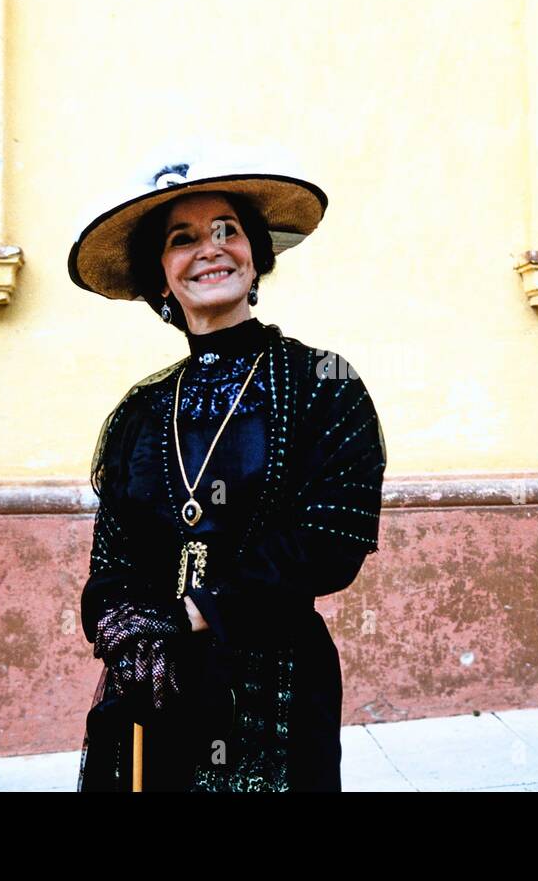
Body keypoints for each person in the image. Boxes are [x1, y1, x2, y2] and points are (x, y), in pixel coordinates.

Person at [67, 159, 388, 790]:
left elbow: (331, 541)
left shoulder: (325, 384)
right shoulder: (143, 410)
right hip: (154, 684)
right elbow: (112, 559)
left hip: (278, 686)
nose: (209, 249)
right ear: (161, 277)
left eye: (226, 230)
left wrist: (190, 614)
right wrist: (122, 627)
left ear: (255, 256)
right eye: (181, 239)